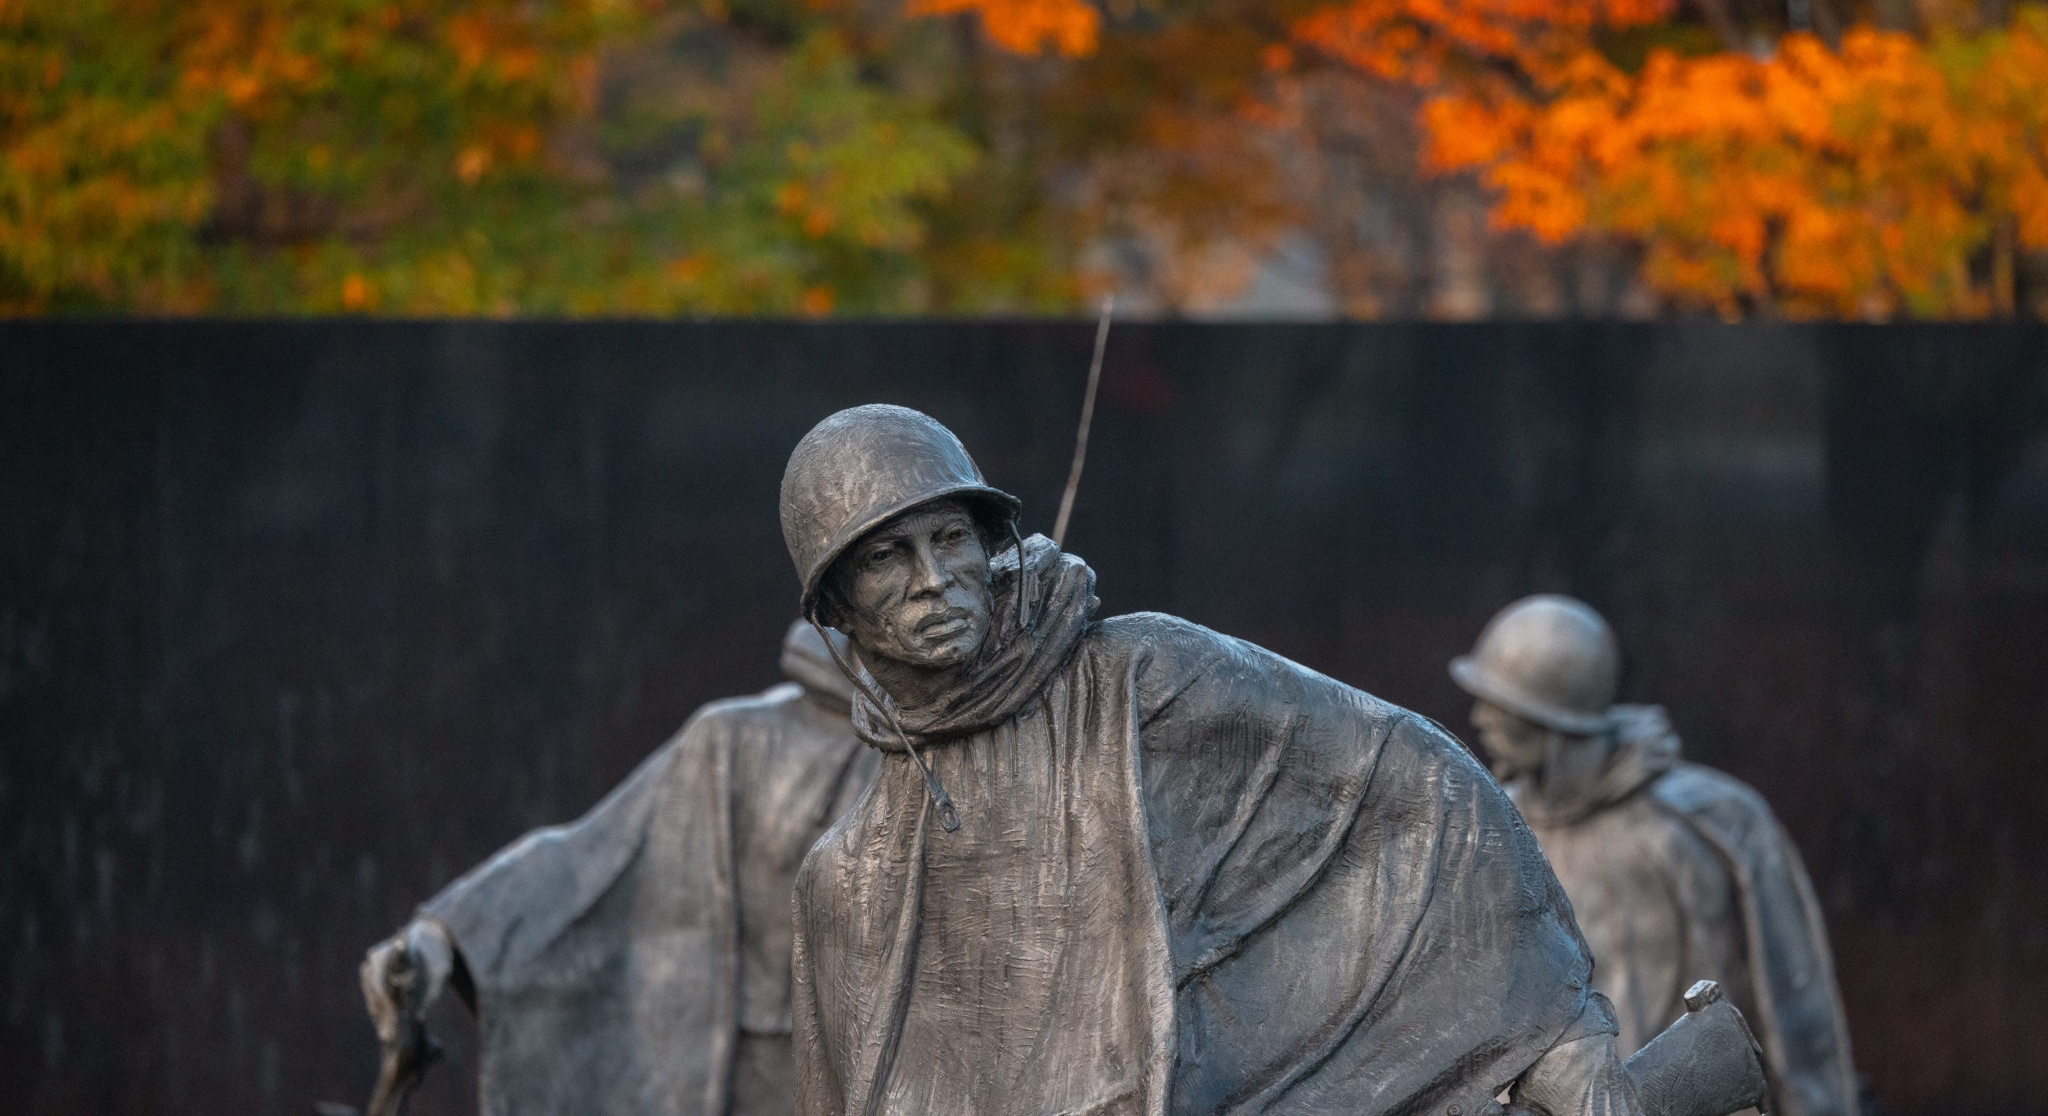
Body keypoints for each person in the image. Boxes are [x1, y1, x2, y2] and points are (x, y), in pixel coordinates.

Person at [780, 404, 1648, 1116]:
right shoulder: (849, 883)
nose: (934, 578)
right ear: (838, 608)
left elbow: (1418, 779)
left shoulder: (1140, 676)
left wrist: (1553, 1023)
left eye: (950, 537)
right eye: (889, 555)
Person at [359, 620, 878, 1116]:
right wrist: (442, 933)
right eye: (885, 558)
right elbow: (591, 860)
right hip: (753, 1074)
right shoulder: (738, 740)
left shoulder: (952, 760)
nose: (929, 583)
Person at [1450, 595, 1859, 1116]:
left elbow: (1795, 1012)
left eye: (1499, 703)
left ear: (1550, 721)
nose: (1477, 718)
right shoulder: (1489, 834)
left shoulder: (1709, 824)